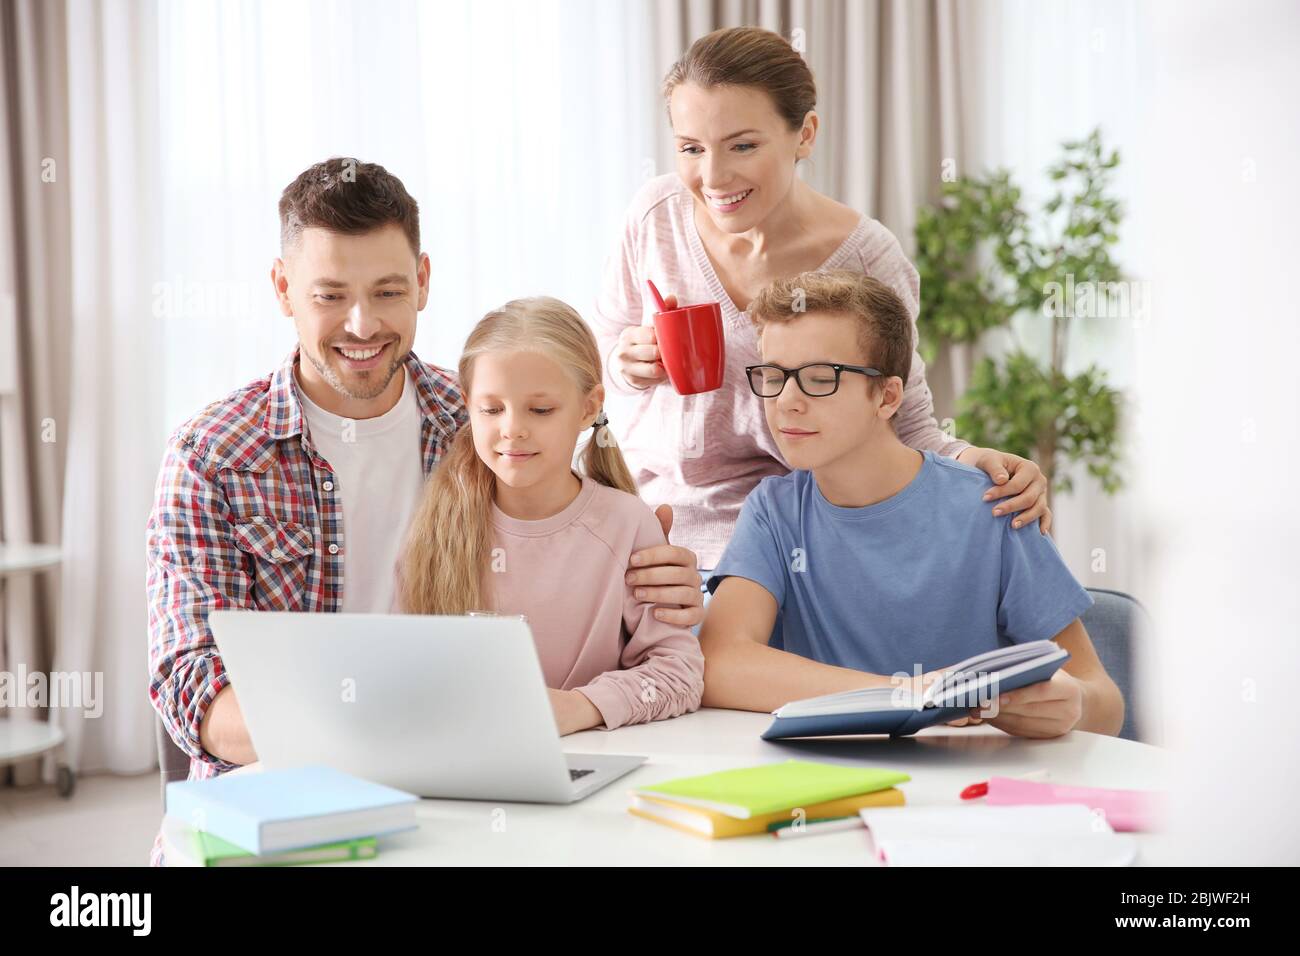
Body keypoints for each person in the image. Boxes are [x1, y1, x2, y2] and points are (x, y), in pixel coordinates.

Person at [145, 158, 706, 865]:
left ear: (424, 282)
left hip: (463, 791)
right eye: (329, 295)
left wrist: (665, 583)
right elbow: (193, 691)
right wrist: (384, 733)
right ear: (284, 291)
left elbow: (585, 543)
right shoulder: (212, 455)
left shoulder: (476, 419)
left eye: (387, 290)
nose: (362, 324)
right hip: (284, 795)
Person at [698, 269, 1125, 739]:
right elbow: (720, 662)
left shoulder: (993, 506)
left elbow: (1104, 701)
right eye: (774, 376)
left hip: (970, 789)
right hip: (823, 783)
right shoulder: (773, 512)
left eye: (820, 378)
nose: (787, 402)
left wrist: (1074, 705)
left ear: (887, 395)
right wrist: (909, 693)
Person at [399, 297, 704, 734]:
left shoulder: (627, 524)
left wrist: (582, 707)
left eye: (540, 410)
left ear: (588, 407)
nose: (513, 428)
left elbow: (680, 675)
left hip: (595, 759)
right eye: (491, 409)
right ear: (467, 405)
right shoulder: (436, 524)